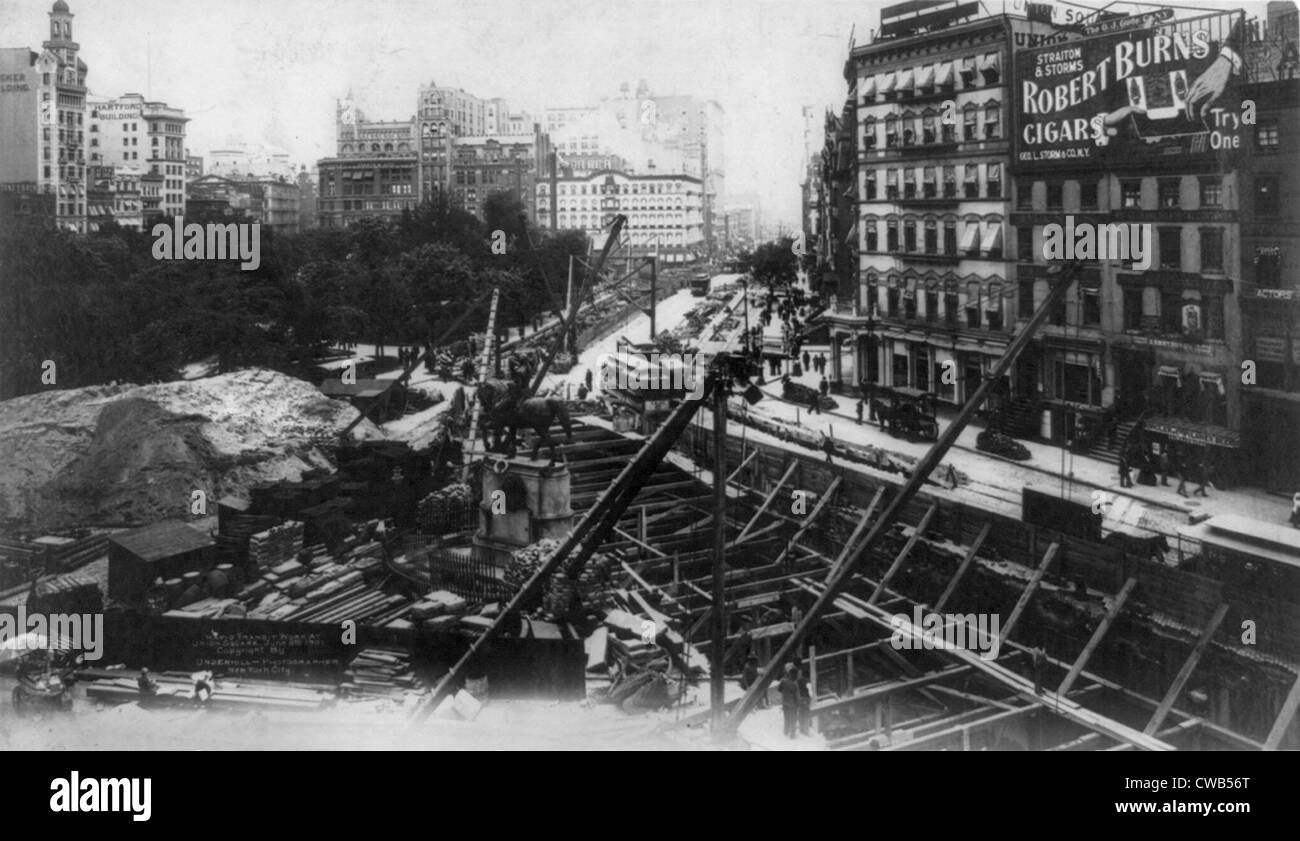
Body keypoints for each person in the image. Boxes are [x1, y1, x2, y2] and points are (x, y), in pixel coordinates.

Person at [778, 663, 800, 739]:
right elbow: (797, 697)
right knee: (793, 720)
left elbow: (779, 689)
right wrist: (798, 705)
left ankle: (785, 732)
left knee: (786, 719)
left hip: (785, 703)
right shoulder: (795, 685)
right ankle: (792, 736)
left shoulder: (783, 681)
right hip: (792, 705)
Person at [796, 668, 813, 737]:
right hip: (806, 699)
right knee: (806, 715)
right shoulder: (807, 682)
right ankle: (806, 731)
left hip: (800, 699)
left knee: (801, 714)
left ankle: (801, 730)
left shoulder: (797, 681)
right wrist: (810, 699)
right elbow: (810, 693)